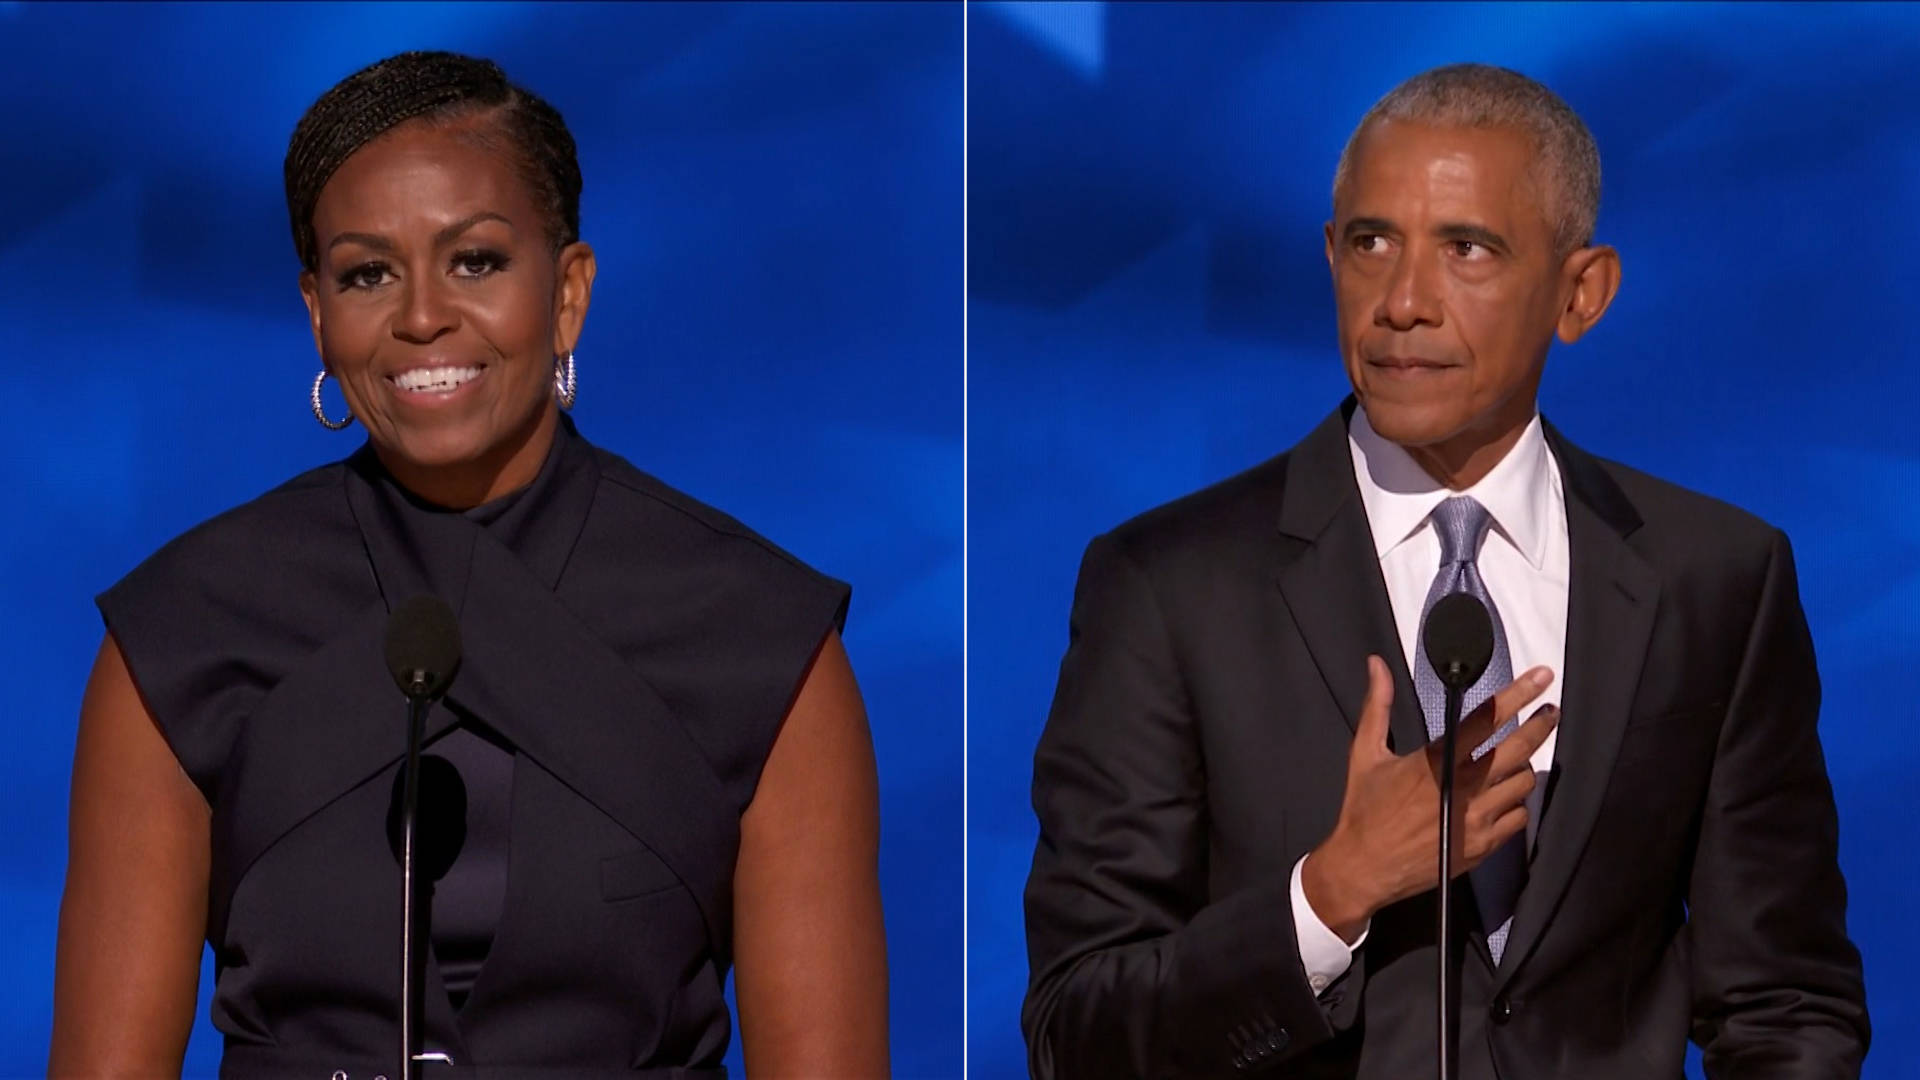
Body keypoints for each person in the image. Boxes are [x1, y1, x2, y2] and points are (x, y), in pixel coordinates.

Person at [51, 51, 889, 1078]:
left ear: (569, 291)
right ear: (318, 313)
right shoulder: (181, 635)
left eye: (476, 261)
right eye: (367, 272)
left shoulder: (761, 641)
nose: (420, 317)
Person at [1021, 63, 1868, 1078]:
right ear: (1331, 258)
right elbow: (1077, 1034)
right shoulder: (1166, 586)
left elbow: (1786, 1003)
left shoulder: (1717, 577)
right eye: (1372, 243)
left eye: (1467, 249)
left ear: (1580, 293)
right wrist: (1330, 893)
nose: (1404, 303)